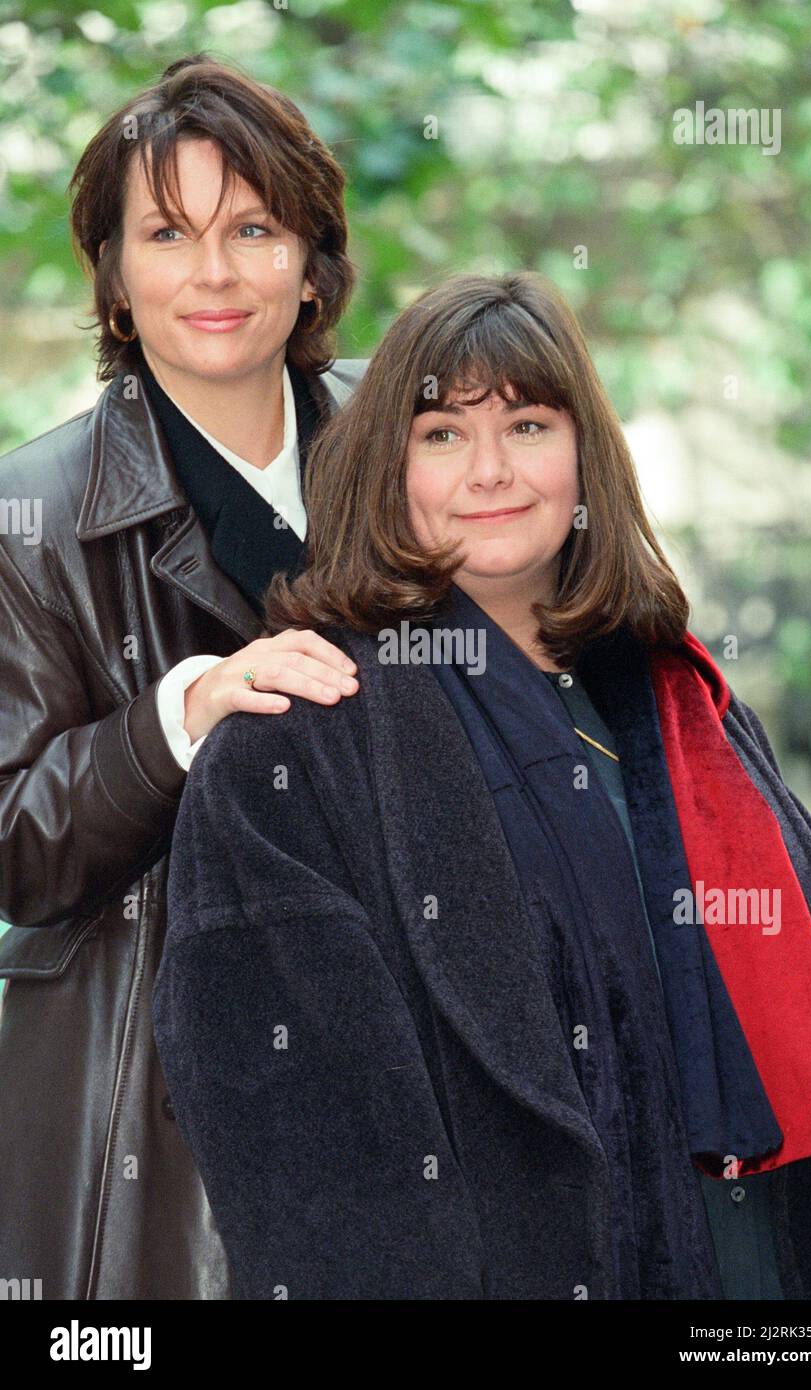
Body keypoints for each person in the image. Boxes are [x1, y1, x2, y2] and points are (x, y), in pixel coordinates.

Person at [153, 270, 811, 1300]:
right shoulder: (301, 742)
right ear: (387, 467)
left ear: (585, 460)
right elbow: (292, 1134)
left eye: (528, 425)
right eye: (441, 434)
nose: (489, 470)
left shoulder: (687, 706)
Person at [0, 54, 367, 1300]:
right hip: (159, 1103)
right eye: (167, 233)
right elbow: (15, 846)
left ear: (312, 260)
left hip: (418, 1052)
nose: (213, 275)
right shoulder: (31, 513)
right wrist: (177, 718)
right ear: (113, 272)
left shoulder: (408, 449)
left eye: (253, 228)